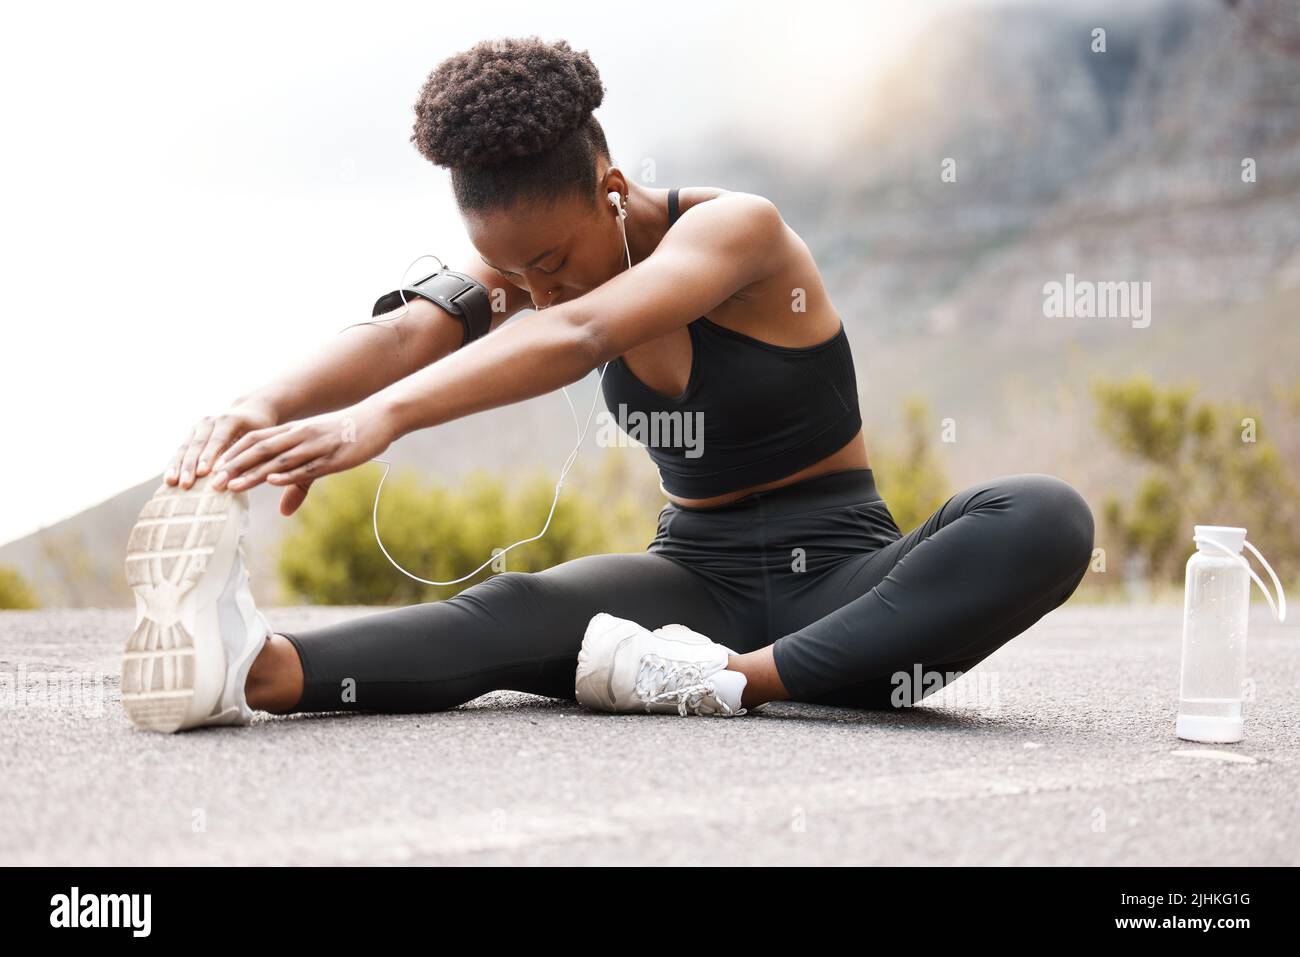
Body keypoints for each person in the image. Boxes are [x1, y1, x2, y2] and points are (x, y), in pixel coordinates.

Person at [121, 36, 1094, 733]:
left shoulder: (736, 231)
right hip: (689, 578)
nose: (538, 290)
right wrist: (263, 406)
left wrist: (382, 423)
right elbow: (405, 331)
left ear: (613, 190)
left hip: (842, 587)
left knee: (1041, 516)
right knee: (504, 613)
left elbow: (585, 330)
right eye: (515, 272)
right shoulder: (537, 270)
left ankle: (729, 683)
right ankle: (247, 670)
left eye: (552, 259)